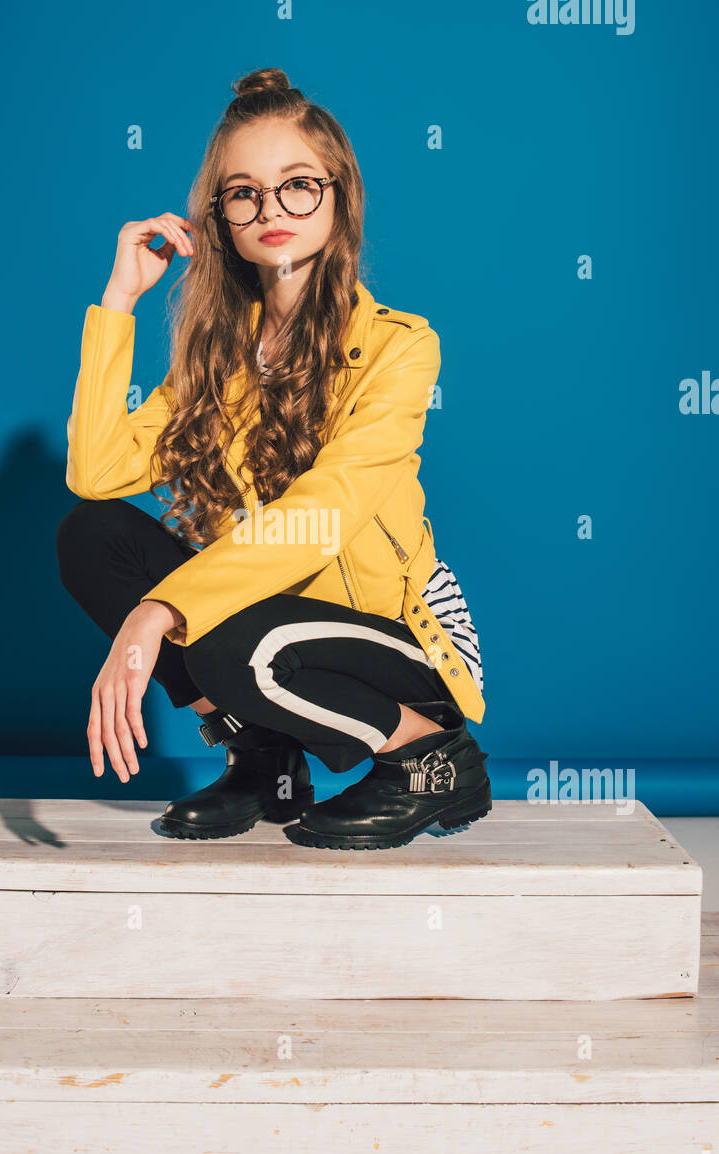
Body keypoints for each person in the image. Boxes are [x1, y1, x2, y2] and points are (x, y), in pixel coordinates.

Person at [56, 67, 491, 850]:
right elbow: (96, 471)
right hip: (261, 637)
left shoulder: (399, 346)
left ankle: (431, 755)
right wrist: (118, 304)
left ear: (337, 196)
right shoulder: (220, 363)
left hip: (390, 641)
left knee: (213, 629)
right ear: (220, 218)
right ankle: (265, 762)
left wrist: (157, 614)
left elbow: (322, 516)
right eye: (244, 193)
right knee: (93, 536)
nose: (272, 211)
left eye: (297, 186)